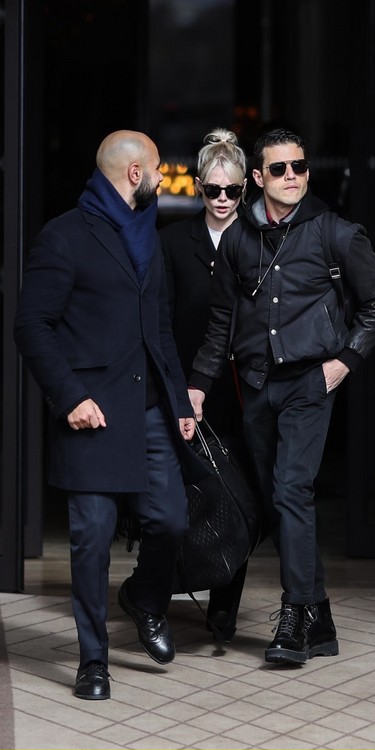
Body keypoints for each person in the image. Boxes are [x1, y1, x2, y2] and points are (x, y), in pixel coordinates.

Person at [187, 127, 375, 664]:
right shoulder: (238, 239)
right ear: (258, 177)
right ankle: (320, 617)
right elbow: (220, 323)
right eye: (279, 169)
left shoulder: (335, 233)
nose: (291, 176)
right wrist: (198, 386)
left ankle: (294, 619)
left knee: (291, 492)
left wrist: (342, 364)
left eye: (299, 166)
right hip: (257, 385)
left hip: (310, 383)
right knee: (276, 503)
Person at [15, 130, 197, 702]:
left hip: (149, 410)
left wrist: (179, 400)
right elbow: (31, 326)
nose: (164, 181)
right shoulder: (64, 236)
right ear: (135, 174)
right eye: (159, 172)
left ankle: (145, 598)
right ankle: (93, 661)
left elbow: (159, 328)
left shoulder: (150, 237)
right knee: (91, 543)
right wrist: (70, 397)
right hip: (91, 414)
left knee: (171, 521)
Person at [159, 128, 252, 641]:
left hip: (243, 390)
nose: (221, 199)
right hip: (189, 387)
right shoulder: (174, 242)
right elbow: (163, 321)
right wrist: (178, 390)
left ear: (245, 189)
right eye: (212, 189)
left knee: (242, 495)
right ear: (198, 187)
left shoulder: (261, 242)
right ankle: (163, 590)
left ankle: (225, 607)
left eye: (231, 190)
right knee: (187, 494)